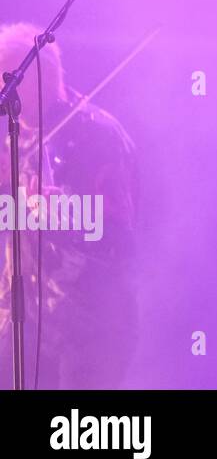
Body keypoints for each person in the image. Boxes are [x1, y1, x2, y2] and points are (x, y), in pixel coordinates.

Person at [0, 22, 139, 388]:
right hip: (25, 322)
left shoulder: (97, 135)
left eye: (7, 77)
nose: (1, 89)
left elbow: (124, 240)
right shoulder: (15, 136)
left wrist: (72, 215)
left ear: (42, 75)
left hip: (91, 327)